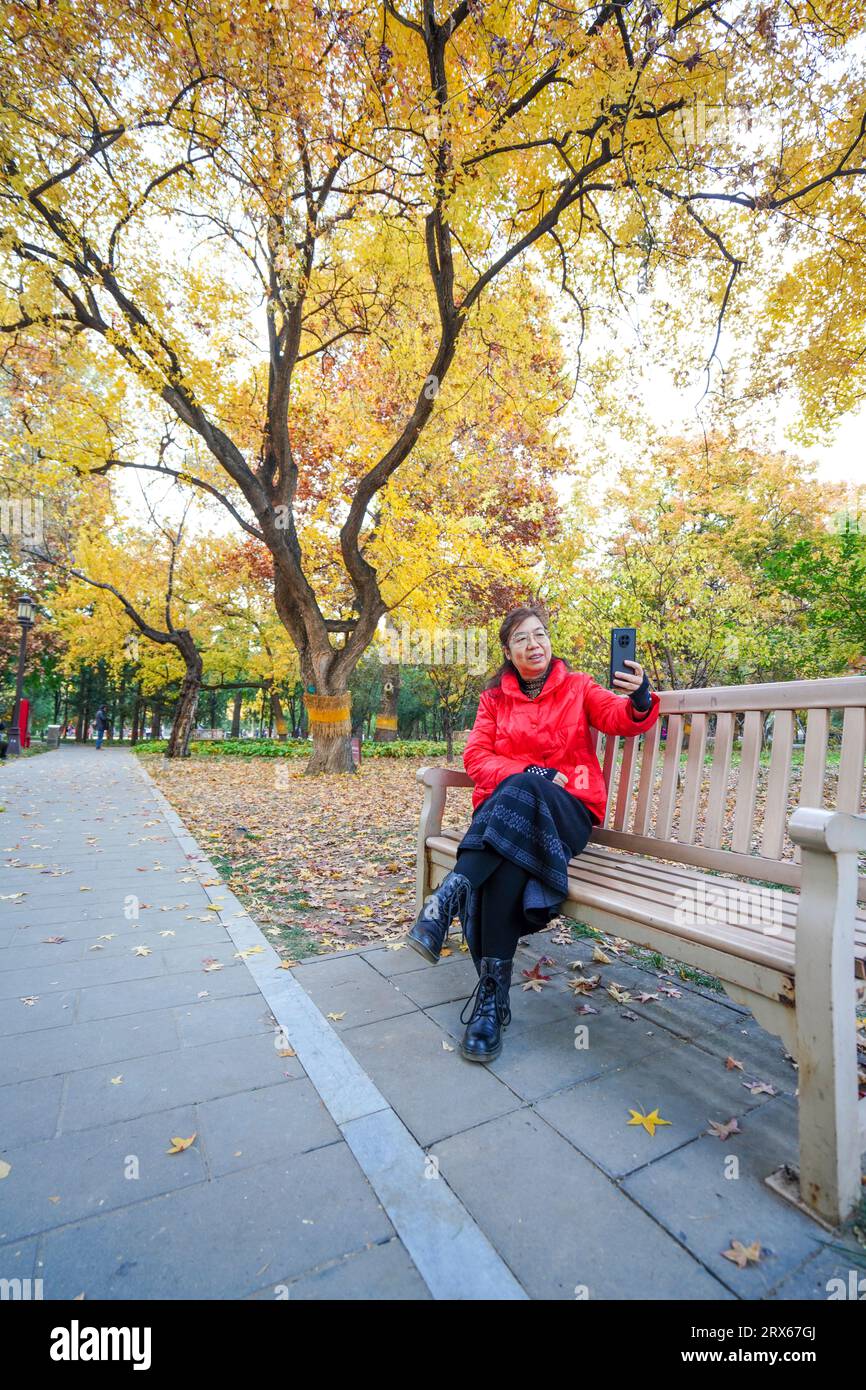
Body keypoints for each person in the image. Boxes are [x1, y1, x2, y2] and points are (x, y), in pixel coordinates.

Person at [407, 603, 660, 1064]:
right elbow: (477, 758)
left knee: (524, 792)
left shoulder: (579, 686)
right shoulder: (494, 700)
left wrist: (640, 696)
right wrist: (530, 771)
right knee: (508, 859)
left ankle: (445, 898)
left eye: (540, 634)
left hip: (568, 812)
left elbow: (621, 718)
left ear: (549, 642)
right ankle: (490, 1002)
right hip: (510, 822)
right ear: (508, 650)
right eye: (521, 638)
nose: (534, 644)